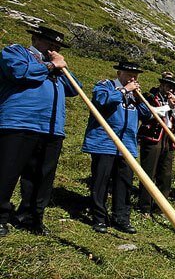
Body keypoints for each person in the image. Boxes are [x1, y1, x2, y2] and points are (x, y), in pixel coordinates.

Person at [0, 26, 80, 237]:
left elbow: (74, 89)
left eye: (57, 46)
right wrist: (50, 65)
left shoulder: (57, 69)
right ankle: (1, 217)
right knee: (7, 172)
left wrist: (61, 68)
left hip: (52, 127)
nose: (53, 49)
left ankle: (31, 216)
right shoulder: (17, 52)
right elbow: (19, 72)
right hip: (20, 122)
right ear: (35, 39)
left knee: (41, 176)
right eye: (49, 44)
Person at [82, 61, 151, 234]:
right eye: (129, 74)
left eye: (135, 76)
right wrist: (124, 90)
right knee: (101, 181)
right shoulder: (106, 85)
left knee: (124, 183)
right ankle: (99, 218)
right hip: (105, 142)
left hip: (127, 144)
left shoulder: (134, 94)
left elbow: (147, 115)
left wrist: (138, 98)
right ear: (119, 73)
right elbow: (102, 100)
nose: (133, 78)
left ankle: (121, 218)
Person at [137, 72, 175, 215]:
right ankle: (144, 207)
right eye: (168, 86)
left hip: (168, 140)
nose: (170, 90)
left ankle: (160, 208)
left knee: (165, 175)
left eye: (173, 88)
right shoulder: (150, 96)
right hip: (152, 138)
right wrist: (168, 107)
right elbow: (149, 113)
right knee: (148, 173)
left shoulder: (173, 102)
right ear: (162, 85)